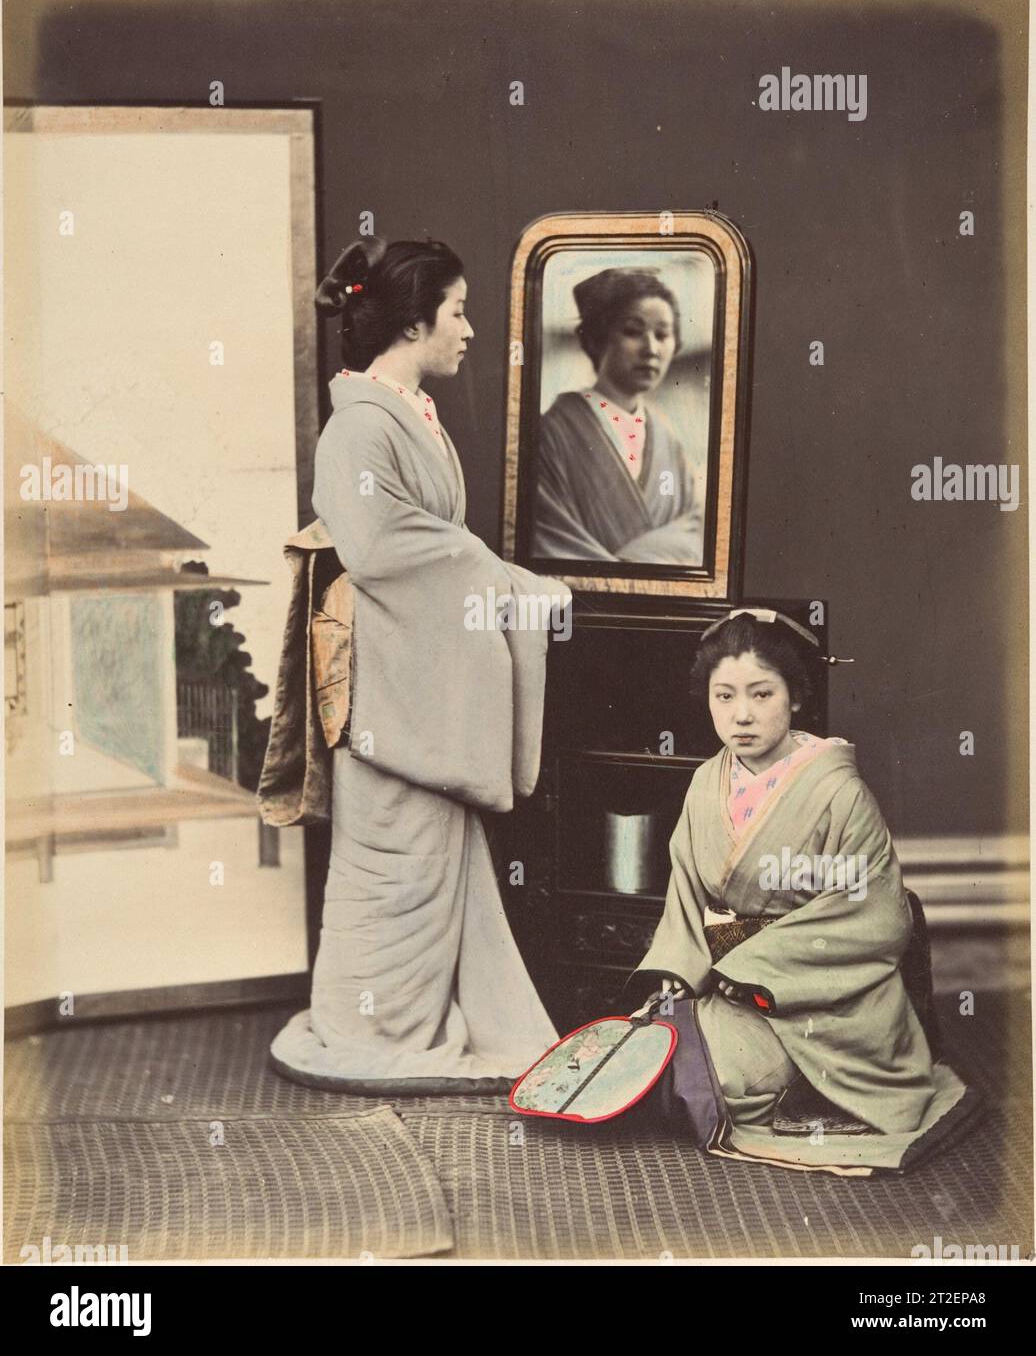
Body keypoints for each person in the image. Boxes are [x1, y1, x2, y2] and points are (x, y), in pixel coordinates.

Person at [269, 236, 568, 1092]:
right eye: (460, 311)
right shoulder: (359, 428)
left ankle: (422, 1015)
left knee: (432, 858)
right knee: (389, 863)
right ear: (412, 322)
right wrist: (493, 574)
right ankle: (375, 1028)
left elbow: (426, 544)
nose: (471, 329)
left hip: (418, 674)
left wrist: (490, 574)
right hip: (390, 688)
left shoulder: (404, 412)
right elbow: (379, 547)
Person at [626, 608, 982, 1173]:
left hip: (824, 998)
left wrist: (755, 964)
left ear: (795, 698)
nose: (741, 715)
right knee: (654, 1053)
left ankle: (814, 1088)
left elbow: (876, 912)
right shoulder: (704, 783)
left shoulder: (837, 790)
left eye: (762, 694)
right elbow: (687, 894)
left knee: (714, 1080)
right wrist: (678, 970)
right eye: (724, 696)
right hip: (731, 982)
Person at [532, 267, 704, 565]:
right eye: (633, 332)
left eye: (663, 334)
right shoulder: (553, 431)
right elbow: (547, 537)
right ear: (599, 338)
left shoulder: (668, 442)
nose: (651, 348)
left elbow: (695, 531)